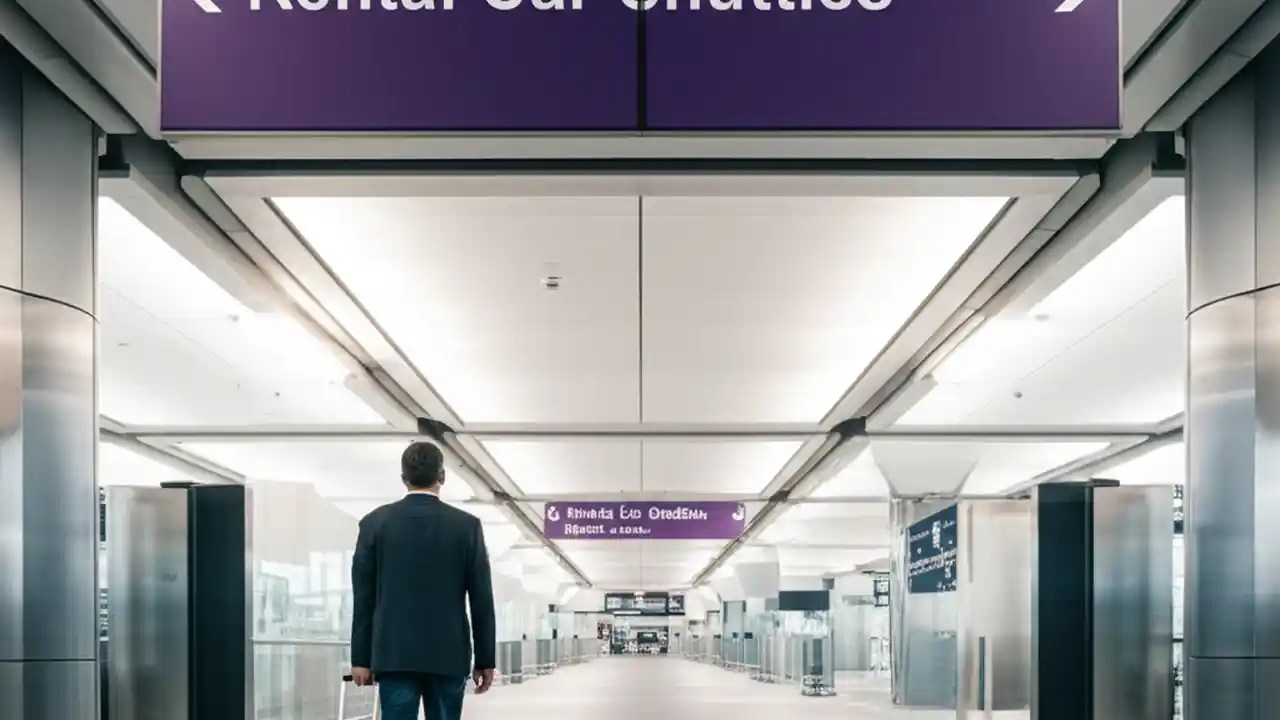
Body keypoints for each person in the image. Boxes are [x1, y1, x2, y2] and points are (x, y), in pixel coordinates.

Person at [350, 442, 497, 720]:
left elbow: (364, 596)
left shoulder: (374, 524)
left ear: (403, 479)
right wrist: (485, 659)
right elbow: (481, 599)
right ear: (442, 477)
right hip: (448, 655)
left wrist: (360, 658)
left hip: (394, 655)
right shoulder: (467, 527)